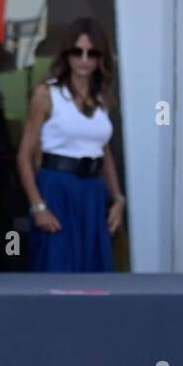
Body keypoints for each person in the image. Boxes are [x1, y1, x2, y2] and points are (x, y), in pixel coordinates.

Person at [17, 18, 126, 271]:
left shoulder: (102, 97)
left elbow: (104, 151)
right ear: (67, 54)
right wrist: (38, 206)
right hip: (57, 191)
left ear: (101, 58)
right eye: (78, 51)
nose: (84, 59)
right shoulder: (46, 94)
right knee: (58, 271)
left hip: (94, 194)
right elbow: (24, 156)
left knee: (95, 275)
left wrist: (117, 198)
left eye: (92, 53)